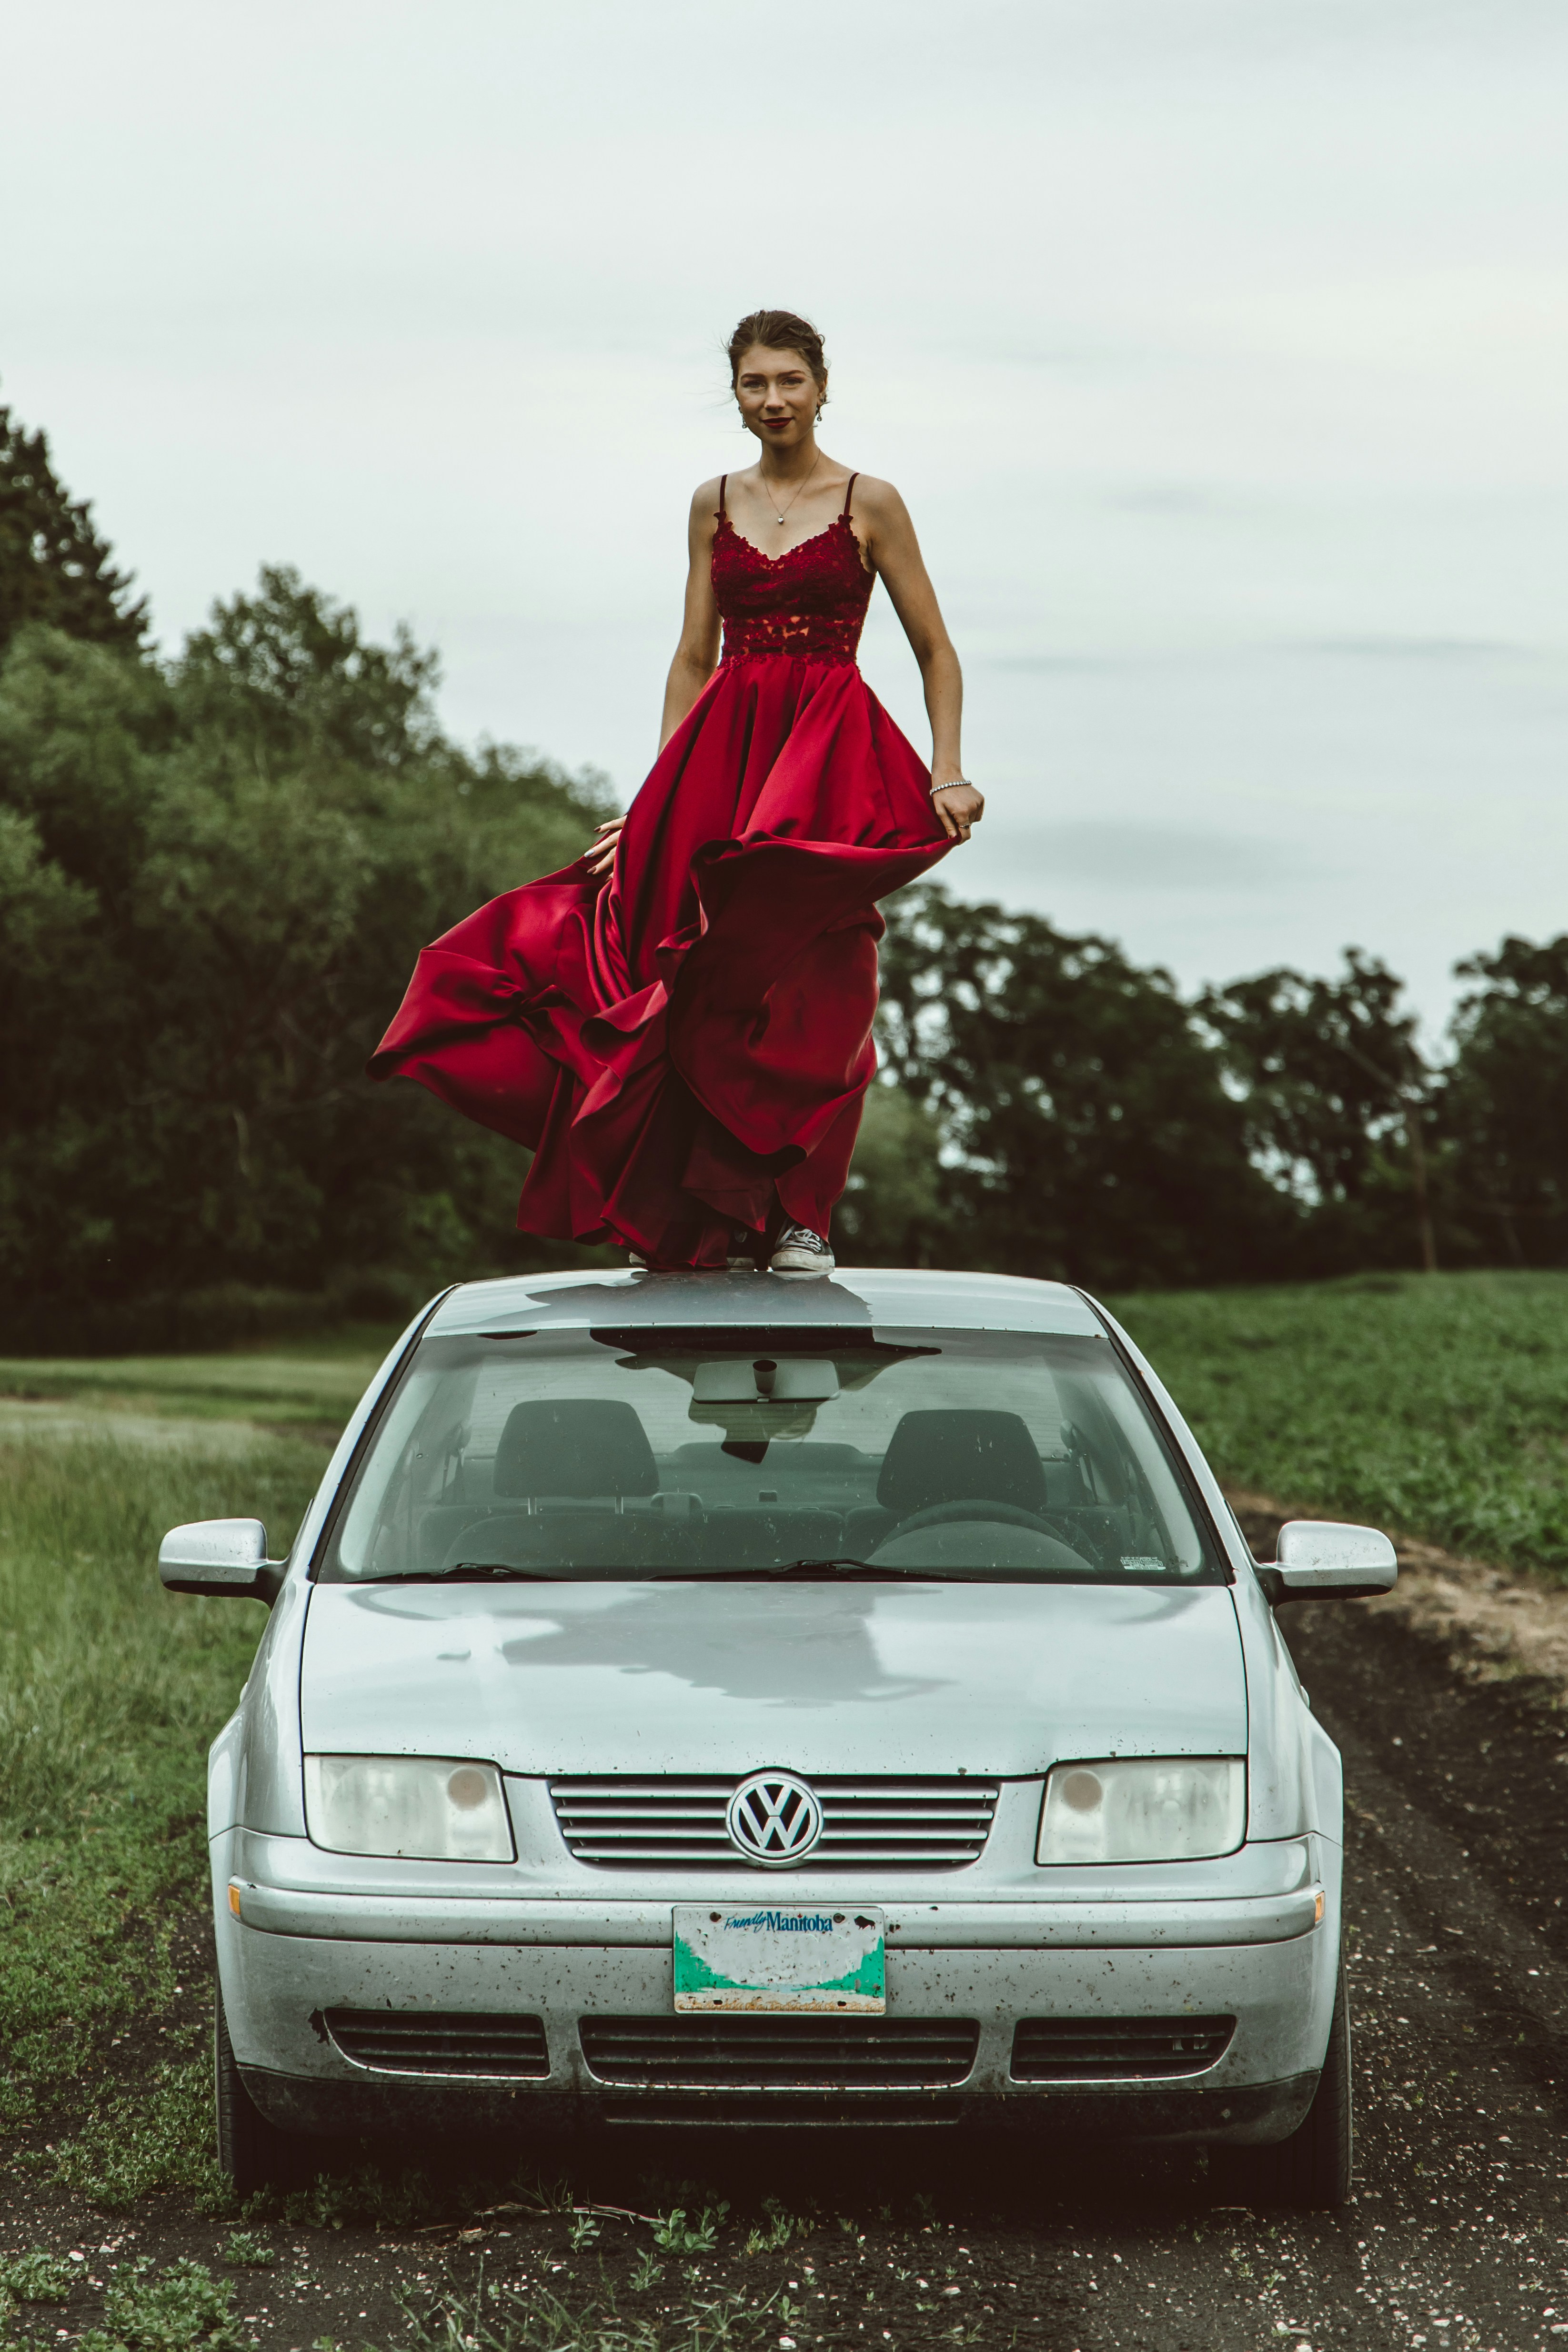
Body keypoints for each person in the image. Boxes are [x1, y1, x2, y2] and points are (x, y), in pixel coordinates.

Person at [370, 309, 983, 1273]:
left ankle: (799, 1214)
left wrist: (946, 768)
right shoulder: (709, 503)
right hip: (721, 747)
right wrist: (658, 796)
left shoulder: (872, 501)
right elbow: (693, 656)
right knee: (678, 972)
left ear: (823, 387)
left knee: (822, 977)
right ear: (734, 395)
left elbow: (935, 651)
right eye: (754, 384)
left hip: (824, 751)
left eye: (789, 380)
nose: (772, 399)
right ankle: (698, 1217)